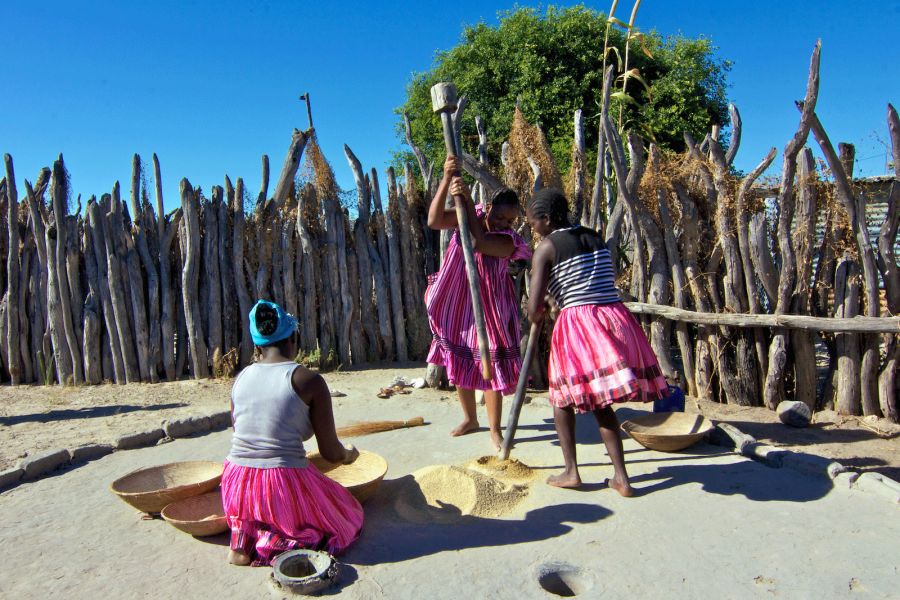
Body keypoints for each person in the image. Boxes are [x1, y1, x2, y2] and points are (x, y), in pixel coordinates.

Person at [525, 188, 668, 496]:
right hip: (613, 317)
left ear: (547, 219)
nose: (532, 229)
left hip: (580, 324)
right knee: (601, 401)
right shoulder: (594, 236)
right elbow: (593, 279)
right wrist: (556, 299)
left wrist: (540, 309)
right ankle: (622, 478)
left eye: (533, 223)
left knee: (562, 397)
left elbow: (533, 307)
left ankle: (571, 471)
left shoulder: (547, 247)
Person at [222, 300, 363, 566]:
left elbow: (241, 432)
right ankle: (277, 543)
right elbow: (330, 453)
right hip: (281, 482)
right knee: (347, 514)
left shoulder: (240, 379)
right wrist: (348, 455)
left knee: (260, 506)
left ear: (257, 346)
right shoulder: (308, 380)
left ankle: (244, 537)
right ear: (294, 340)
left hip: (236, 483)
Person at [426, 156, 532, 450]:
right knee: (461, 359)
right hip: (458, 302)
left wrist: (468, 204)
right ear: (491, 208)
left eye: (510, 220)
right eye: (499, 217)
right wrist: (448, 182)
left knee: (490, 363)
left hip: (491, 307)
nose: (504, 223)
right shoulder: (471, 213)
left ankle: (495, 429)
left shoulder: (511, 241)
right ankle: (470, 418)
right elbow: (434, 220)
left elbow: (479, 241)